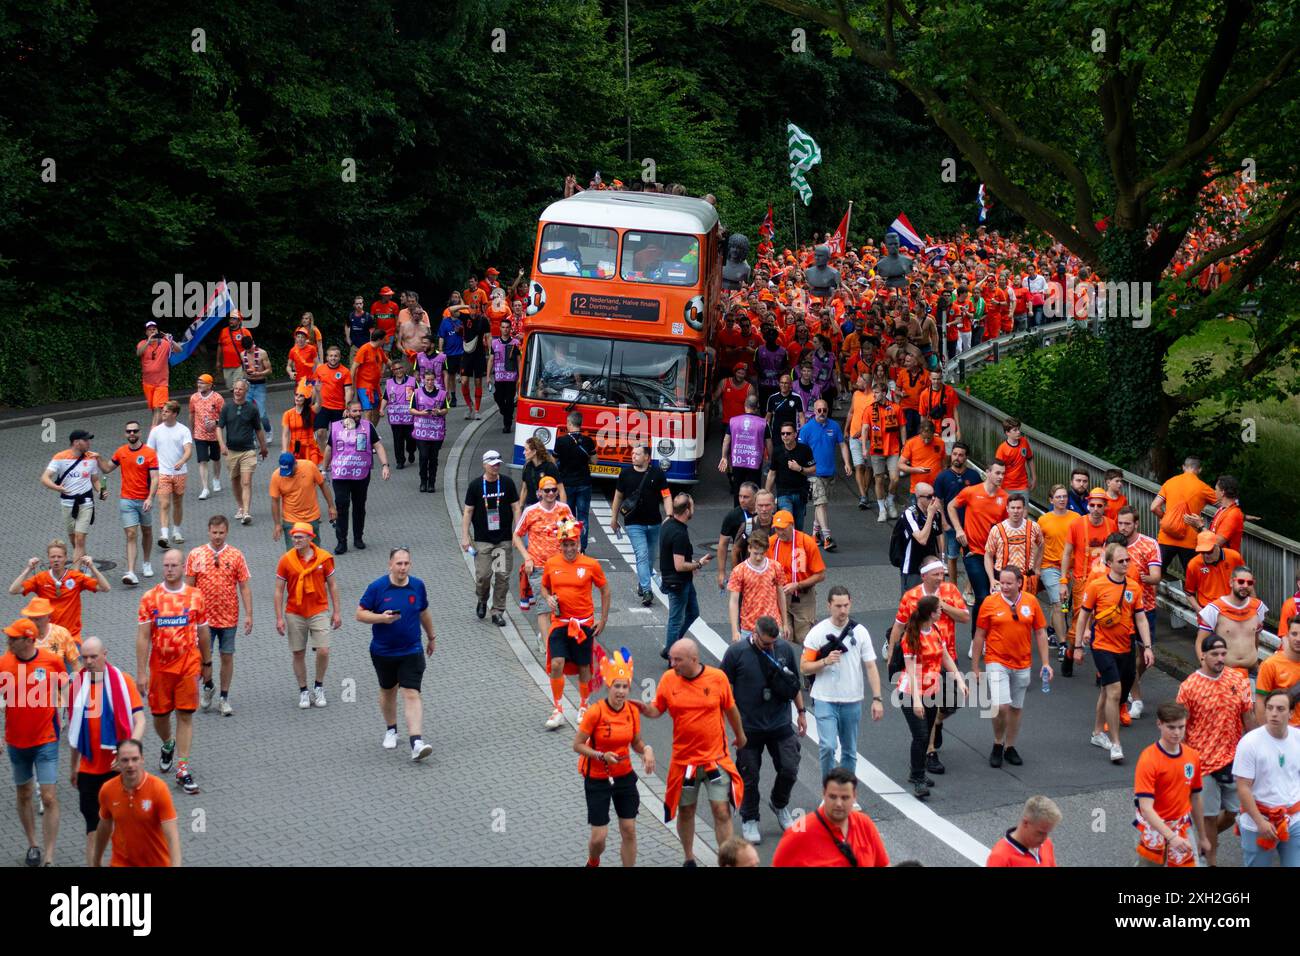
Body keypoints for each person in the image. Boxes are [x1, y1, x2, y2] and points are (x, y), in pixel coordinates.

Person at [637, 637, 745, 867]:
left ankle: (725, 861)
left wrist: (741, 735)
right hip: (684, 763)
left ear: (694, 659)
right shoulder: (668, 679)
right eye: (671, 659)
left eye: (678, 659)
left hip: (715, 760)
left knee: (721, 811)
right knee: (686, 810)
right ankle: (689, 858)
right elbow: (658, 709)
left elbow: (731, 708)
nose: (672, 664)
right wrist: (646, 709)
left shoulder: (717, 678)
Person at [721, 615, 806, 844]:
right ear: (754, 634)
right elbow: (725, 693)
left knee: (790, 767)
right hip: (748, 727)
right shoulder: (735, 653)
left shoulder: (784, 649)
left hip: (779, 723)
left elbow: (793, 683)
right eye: (766, 643)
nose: (771, 647)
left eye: (773, 643)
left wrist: (801, 712)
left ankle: (779, 804)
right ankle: (750, 818)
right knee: (750, 775)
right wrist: (729, 727)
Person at [1176, 633, 1256, 866]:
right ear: (1203, 655)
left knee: (1233, 813)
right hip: (1202, 765)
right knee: (1209, 818)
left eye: (1223, 653)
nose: (1220, 658)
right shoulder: (1189, 687)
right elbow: (1180, 725)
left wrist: (1256, 750)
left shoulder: (1237, 680)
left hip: (1233, 761)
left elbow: (1248, 718)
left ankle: (1200, 839)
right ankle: (1210, 860)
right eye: (1215, 654)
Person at [135, 549, 210, 795]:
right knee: (160, 716)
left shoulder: (195, 596)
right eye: (166, 565)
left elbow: (203, 633)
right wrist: (141, 673)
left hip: (188, 664)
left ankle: (182, 768)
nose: (169, 569)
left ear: (182, 568)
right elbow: (143, 637)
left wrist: (207, 664)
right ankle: (167, 743)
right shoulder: (150, 597)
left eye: (174, 565)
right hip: (160, 667)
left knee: (186, 715)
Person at [67, 636, 145, 866]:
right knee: (93, 827)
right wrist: (74, 767)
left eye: (94, 656)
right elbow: (74, 732)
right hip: (88, 771)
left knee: (123, 826)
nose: (89, 661)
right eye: (85, 657)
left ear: (105, 654)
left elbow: (139, 721)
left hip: (118, 770)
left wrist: (128, 752)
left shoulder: (123, 681)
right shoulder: (77, 686)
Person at [573, 649, 653, 867]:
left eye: (625, 686)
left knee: (629, 829)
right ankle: (593, 860)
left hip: (624, 776)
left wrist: (646, 749)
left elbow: (636, 742)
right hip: (597, 778)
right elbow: (577, 745)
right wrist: (601, 755)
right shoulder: (596, 712)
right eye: (617, 686)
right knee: (599, 838)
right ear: (609, 686)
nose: (621, 691)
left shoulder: (632, 712)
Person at [357, 547, 437, 761]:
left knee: (411, 692)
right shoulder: (377, 587)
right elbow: (360, 614)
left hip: (412, 649)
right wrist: (381, 618)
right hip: (383, 652)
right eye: (399, 563)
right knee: (388, 690)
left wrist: (431, 636)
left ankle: (417, 743)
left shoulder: (418, 586)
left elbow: (424, 612)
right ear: (390, 565)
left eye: (406, 563)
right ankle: (391, 729)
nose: (403, 567)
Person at [1075, 543, 1153, 763]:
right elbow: (1083, 616)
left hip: (1125, 646)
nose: (1126, 563)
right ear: (1108, 563)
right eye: (1121, 561)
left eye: (1127, 560)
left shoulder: (1134, 588)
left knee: (1107, 693)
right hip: (1102, 646)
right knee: (1115, 691)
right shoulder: (1096, 586)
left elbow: (1140, 618)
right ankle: (1115, 743)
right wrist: (1079, 645)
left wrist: (1147, 647)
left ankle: (1097, 733)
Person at [1, 616, 68, 866]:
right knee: (24, 793)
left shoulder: (51, 660)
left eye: (13, 638)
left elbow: (65, 686)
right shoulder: (3, 664)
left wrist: (64, 711)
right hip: (16, 742)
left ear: (28, 640)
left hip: (46, 739)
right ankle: (32, 845)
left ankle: (49, 856)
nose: (8, 641)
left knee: (48, 797)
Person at [971, 566, 1051, 768]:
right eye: (1001, 583)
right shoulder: (990, 603)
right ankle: (997, 743)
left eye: (1008, 583)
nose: (1004, 587)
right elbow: (979, 634)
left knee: (1016, 707)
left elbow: (1041, 633)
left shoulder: (1031, 602)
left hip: (1023, 662)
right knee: (1001, 706)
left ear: (1019, 583)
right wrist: (975, 667)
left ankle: (1010, 746)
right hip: (996, 660)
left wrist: (1046, 663)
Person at [802, 586, 884, 783]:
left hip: (851, 699)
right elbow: (804, 667)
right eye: (838, 606)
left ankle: (847, 793)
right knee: (828, 746)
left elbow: (871, 666)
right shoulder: (818, 632)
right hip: (824, 698)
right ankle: (829, 792)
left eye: (846, 605)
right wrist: (825, 662)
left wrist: (877, 698)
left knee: (849, 750)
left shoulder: (860, 632)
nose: (842, 610)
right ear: (829, 605)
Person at [896, 595, 968, 799]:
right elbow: (910, 671)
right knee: (920, 736)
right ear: (930, 613)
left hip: (931, 691)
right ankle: (918, 777)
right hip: (911, 693)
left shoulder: (935, 630)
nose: (941, 612)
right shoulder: (912, 636)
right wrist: (917, 701)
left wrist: (960, 680)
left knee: (927, 735)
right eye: (939, 609)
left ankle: (915, 771)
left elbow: (945, 657)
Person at [541, 519, 610, 729]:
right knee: (556, 663)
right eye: (565, 544)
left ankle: (583, 705)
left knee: (583, 666)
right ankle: (558, 709)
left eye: (572, 544)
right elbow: (544, 587)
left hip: (583, 624)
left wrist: (603, 619)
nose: (569, 548)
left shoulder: (591, 564)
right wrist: (548, 598)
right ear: (560, 545)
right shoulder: (552, 564)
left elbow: (605, 590)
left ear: (578, 544)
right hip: (560, 623)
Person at [184, 516, 252, 717]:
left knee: (227, 656)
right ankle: (208, 685)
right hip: (203, 619)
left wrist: (249, 614)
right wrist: (187, 613)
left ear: (227, 532)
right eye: (214, 533)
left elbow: (245, 587)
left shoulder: (236, 555)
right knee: (202, 658)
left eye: (221, 533)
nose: (217, 537)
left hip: (229, 616)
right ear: (208, 531)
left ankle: (223, 697)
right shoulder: (196, 555)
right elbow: (188, 586)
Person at [1134, 701, 1210, 867]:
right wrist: (1171, 837)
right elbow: (1146, 808)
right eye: (1171, 727)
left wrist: (1203, 837)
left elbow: (1196, 798)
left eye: (1181, 727)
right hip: (1153, 830)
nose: (1177, 733)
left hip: (1181, 827)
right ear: (1159, 724)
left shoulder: (1192, 756)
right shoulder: (1148, 759)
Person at [274, 523, 341, 710]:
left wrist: (336, 612)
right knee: (298, 652)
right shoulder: (286, 560)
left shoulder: (324, 558)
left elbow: (333, 585)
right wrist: (279, 617)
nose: (296, 540)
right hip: (294, 612)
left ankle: (318, 686)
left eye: (300, 537)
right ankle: (303, 690)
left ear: (310, 538)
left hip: (319, 610)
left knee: (324, 650)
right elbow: (279, 590)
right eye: (294, 537)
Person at [1233, 688, 1300, 867]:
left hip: (1293, 820)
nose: (1273, 714)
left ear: (1292, 712)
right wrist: (1260, 821)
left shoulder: (1298, 738)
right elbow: (1243, 787)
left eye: (1280, 709)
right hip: (1258, 822)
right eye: (1270, 708)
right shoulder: (1250, 743)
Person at [771, 768, 890, 867]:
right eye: (833, 797)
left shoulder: (865, 824)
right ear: (824, 794)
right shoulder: (799, 833)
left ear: (854, 797)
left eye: (845, 798)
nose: (838, 803)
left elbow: (883, 864)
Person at [91, 738, 180, 867]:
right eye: (125, 760)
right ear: (117, 761)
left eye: (135, 759)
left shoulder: (158, 789)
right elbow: (104, 827)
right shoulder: (108, 790)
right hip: (121, 863)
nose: (130, 765)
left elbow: (172, 835)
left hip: (156, 863)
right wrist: (96, 860)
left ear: (142, 759)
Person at [321, 399, 391, 554]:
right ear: (347, 411)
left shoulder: (367, 426)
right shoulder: (336, 427)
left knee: (359, 507)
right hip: (340, 475)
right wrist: (323, 470)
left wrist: (385, 465)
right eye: (355, 411)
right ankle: (342, 541)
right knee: (342, 505)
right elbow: (328, 449)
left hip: (361, 475)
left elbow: (378, 445)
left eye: (360, 411)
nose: (358, 414)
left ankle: (358, 538)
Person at [947, 459, 1008, 634]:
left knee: (995, 596)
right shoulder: (971, 492)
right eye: (997, 473)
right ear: (987, 472)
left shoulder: (1004, 497)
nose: (1000, 477)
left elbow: (1005, 526)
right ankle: (976, 639)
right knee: (982, 595)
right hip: (972, 551)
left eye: (1003, 474)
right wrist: (958, 530)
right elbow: (951, 506)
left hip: (994, 555)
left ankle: (992, 636)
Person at [461, 450, 521, 627]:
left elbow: (516, 508)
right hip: (483, 540)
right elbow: (468, 511)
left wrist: (517, 532)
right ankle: (482, 599)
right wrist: (465, 536)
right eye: (492, 463)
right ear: (484, 464)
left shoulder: (507, 483)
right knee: (484, 576)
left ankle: (497, 611)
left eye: (498, 463)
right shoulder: (475, 486)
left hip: (503, 539)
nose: (496, 466)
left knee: (502, 576)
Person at [1060, 487, 1118, 671]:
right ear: (1088, 504)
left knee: (1104, 623)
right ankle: (1070, 652)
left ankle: (1102, 670)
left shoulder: (1112, 525)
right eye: (1091, 505)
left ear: (1105, 507)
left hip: (1106, 582)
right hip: (1082, 581)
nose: (1094, 509)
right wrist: (1063, 582)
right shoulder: (1077, 524)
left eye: (1099, 505)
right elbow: (1067, 553)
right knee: (1079, 621)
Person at [10, 540, 110, 642]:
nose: (56, 560)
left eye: (59, 557)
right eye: (53, 557)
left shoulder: (76, 577)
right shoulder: (40, 578)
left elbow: (105, 587)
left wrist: (92, 567)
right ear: (49, 558)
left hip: (71, 637)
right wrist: (28, 569)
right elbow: (13, 590)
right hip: (48, 637)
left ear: (65, 558)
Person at [610, 445, 670, 607]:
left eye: (637, 454)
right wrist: (613, 518)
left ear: (647, 458)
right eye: (633, 453)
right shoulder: (626, 474)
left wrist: (670, 515)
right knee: (642, 554)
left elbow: (666, 496)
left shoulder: (657, 474)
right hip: (633, 523)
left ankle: (642, 582)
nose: (633, 456)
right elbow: (618, 496)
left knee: (650, 557)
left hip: (654, 522)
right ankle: (646, 589)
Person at [1116, 505, 1162, 717]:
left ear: (1136, 524)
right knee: (1128, 657)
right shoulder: (1114, 544)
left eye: (1127, 524)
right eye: (1120, 523)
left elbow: (1156, 576)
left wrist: (1138, 577)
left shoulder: (1149, 544)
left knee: (1145, 657)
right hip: (1120, 609)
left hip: (1146, 606)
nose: (1123, 528)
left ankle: (1129, 681)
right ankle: (1136, 699)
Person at [513, 476, 573, 636]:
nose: (551, 493)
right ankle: (549, 651)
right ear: (539, 492)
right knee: (544, 609)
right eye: (547, 490)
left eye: (554, 490)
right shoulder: (530, 511)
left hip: (561, 567)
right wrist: (527, 557)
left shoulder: (564, 509)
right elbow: (516, 536)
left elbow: (572, 536)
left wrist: (574, 556)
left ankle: (549, 638)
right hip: (539, 567)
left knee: (560, 609)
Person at [102, 420, 159, 585]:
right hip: (126, 500)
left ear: (140, 433)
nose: (132, 434)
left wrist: (150, 498)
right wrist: (97, 458)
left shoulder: (149, 453)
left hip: (144, 500)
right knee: (131, 534)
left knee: (147, 532)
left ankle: (147, 562)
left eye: (134, 431)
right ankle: (131, 572)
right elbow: (106, 469)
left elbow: (155, 478)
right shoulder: (121, 452)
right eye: (129, 431)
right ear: (125, 434)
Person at [1151, 456, 1217, 595]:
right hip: (1190, 542)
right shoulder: (1203, 487)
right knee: (1193, 577)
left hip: (1166, 537)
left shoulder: (1170, 482)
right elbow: (1223, 503)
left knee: (1156, 574)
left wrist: (1167, 519)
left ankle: (1148, 605)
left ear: (1183, 467)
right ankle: (1195, 610)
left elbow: (1154, 507)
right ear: (1199, 469)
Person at [41, 428, 106, 563]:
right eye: (86, 440)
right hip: (67, 503)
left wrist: (100, 491)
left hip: (85, 502)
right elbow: (45, 478)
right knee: (74, 539)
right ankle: (84, 562)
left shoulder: (91, 458)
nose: (89, 442)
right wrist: (57, 488)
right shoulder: (60, 458)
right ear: (76, 442)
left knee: (80, 537)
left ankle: (80, 571)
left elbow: (95, 480)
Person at [659, 493, 710, 659]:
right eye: (692, 506)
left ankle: (671, 648)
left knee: (693, 612)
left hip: (682, 580)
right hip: (678, 583)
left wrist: (691, 563)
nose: (693, 509)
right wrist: (698, 564)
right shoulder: (679, 533)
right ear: (687, 510)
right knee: (675, 621)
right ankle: (672, 655)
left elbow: (674, 556)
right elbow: (679, 566)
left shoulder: (667, 523)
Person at [1193, 560, 1264, 676]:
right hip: (1224, 674)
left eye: (1249, 583)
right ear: (1231, 582)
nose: (1245, 586)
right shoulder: (1214, 609)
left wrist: (1256, 664)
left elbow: (1255, 638)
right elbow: (1200, 642)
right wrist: (1205, 666)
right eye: (1241, 582)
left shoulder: (1258, 607)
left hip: (1252, 673)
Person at [798, 399, 851, 550]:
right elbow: (801, 451)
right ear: (814, 411)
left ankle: (815, 534)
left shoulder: (834, 426)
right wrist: (802, 470)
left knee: (821, 504)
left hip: (830, 472)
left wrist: (847, 463)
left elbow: (842, 444)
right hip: (813, 473)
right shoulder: (807, 429)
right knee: (821, 503)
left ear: (828, 410)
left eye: (824, 410)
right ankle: (827, 537)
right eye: (819, 410)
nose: (822, 413)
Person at [767, 508, 825, 644]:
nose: (779, 532)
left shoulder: (806, 542)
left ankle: (806, 663)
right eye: (777, 529)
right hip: (780, 596)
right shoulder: (771, 543)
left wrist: (798, 584)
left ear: (792, 526)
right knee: (783, 637)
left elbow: (821, 575)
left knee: (805, 638)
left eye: (783, 528)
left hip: (803, 597)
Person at [217, 379, 270, 526]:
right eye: (236, 389)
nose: (238, 391)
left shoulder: (252, 409)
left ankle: (246, 512)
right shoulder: (227, 408)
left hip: (248, 451)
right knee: (235, 480)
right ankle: (240, 506)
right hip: (231, 451)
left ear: (246, 391)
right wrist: (221, 445)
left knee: (246, 482)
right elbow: (219, 427)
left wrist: (263, 447)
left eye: (241, 389)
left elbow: (258, 429)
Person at [1037, 484, 1082, 654]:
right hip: (1050, 567)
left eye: (1064, 496)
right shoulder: (1044, 520)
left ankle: (1052, 629)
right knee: (1059, 602)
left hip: (1071, 569)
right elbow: (1038, 546)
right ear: (1051, 500)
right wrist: (1036, 568)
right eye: (1058, 497)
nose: (1062, 499)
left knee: (1065, 606)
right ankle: (1063, 644)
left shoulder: (1076, 518)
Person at [933, 440, 979, 594]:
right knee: (952, 557)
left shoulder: (974, 476)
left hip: (971, 525)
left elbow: (979, 500)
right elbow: (938, 502)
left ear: (966, 457)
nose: (957, 457)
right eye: (955, 454)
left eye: (961, 455)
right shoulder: (942, 477)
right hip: (952, 526)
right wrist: (944, 523)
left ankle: (969, 589)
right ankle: (953, 590)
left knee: (972, 558)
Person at [146, 400, 194, 548]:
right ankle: (164, 535)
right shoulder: (156, 431)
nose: (163, 414)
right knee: (164, 504)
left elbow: (188, 450)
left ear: (174, 413)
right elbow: (149, 452)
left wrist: (182, 460)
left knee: (178, 503)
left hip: (180, 473)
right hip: (163, 473)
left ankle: (177, 531)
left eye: (166, 411)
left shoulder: (183, 430)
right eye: (162, 411)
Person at [727, 529, 788, 644]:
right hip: (749, 627)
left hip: (773, 625)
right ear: (749, 548)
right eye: (756, 553)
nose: (759, 557)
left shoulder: (775, 567)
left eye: (762, 553)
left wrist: (785, 623)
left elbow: (781, 594)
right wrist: (735, 630)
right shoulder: (739, 570)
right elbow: (733, 601)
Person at [983, 493, 1045, 600]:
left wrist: (1037, 568)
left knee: (1026, 612)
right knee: (1003, 612)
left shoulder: (1033, 527)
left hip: (1026, 578)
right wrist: (992, 579)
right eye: (1013, 508)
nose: (1016, 511)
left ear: (1024, 509)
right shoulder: (997, 529)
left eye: (1019, 508)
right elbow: (988, 555)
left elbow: (1041, 545)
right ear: (1007, 509)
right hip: (1003, 579)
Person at [269, 452, 336, 548]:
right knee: (293, 553)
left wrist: (331, 506)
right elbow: (275, 501)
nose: (287, 475)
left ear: (295, 464)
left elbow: (323, 485)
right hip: (290, 520)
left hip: (311, 517)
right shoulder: (276, 476)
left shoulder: (309, 467)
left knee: (314, 550)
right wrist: (277, 524)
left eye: (289, 471)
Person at [553, 413, 596, 551]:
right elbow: (594, 460)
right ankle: (581, 548)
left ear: (569, 423)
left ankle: (567, 546)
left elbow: (553, 461)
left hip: (566, 484)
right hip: (584, 482)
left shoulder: (561, 441)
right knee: (583, 517)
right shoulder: (588, 441)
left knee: (566, 516)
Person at [862, 382, 903, 523]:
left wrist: (905, 445)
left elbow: (902, 427)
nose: (874, 395)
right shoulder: (869, 409)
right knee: (878, 479)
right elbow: (865, 429)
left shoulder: (896, 408)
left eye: (877, 392)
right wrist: (863, 448)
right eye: (874, 393)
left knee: (895, 478)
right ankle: (882, 509)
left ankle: (890, 500)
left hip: (893, 448)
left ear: (884, 393)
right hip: (876, 448)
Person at [719, 393, 769, 506]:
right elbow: (769, 444)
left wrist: (724, 457)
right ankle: (754, 514)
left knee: (738, 489)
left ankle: (738, 512)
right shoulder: (763, 423)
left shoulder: (733, 421)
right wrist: (770, 460)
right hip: (755, 462)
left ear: (745, 405)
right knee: (754, 489)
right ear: (757, 407)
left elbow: (726, 440)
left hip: (738, 461)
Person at [767, 419, 815, 533]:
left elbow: (813, 469)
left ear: (795, 434)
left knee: (798, 528)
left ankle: (795, 549)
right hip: (783, 493)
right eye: (782, 433)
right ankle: (785, 548)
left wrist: (799, 468)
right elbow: (771, 473)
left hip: (800, 492)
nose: (785, 436)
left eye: (788, 433)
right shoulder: (777, 451)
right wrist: (767, 494)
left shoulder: (804, 450)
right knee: (787, 523)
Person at [893, 481, 942, 592]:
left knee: (931, 601)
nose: (933, 499)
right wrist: (930, 515)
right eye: (929, 497)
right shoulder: (910, 514)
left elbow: (939, 537)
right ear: (919, 498)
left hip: (930, 565)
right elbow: (922, 539)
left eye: (934, 495)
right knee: (912, 604)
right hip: (912, 566)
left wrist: (940, 561)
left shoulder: (936, 513)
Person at [986, 795, 1061, 867]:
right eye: (1040, 833)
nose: (1045, 838)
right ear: (1025, 823)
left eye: (1047, 832)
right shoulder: (1000, 857)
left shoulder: (1046, 843)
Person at [1256, 618, 1300, 726]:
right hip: (1285, 730)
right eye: (1294, 634)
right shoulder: (1270, 664)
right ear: (1287, 635)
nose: (1298, 639)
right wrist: (1267, 737)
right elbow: (1260, 703)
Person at [188, 374, 225, 499]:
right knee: (202, 460)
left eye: (202, 383)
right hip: (199, 434)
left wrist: (216, 422)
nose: (199, 385)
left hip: (215, 435)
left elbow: (225, 416)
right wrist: (192, 431)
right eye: (198, 382)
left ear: (210, 385)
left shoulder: (218, 398)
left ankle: (216, 478)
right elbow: (191, 414)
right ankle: (205, 488)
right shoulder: (194, 398)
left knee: (216, 458)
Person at [312, 346, 355, 453]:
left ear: (339, 357)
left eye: (336, 356)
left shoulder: (345, 372)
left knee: (338, 436)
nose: (333, 358)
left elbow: (348, 391)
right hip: (323, 406)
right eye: (331, 356)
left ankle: (336, 455)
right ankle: (324, 457)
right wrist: (311, 403)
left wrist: (347, 407)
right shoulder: (319, 369)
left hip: (339, 407)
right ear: (327, 357)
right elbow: (314, 388)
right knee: (321, 433)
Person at [22, 597, 79, 674]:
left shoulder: (61, 634)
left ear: (49, 617)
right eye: (31, 619)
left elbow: (75, 664)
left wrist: (74, 682)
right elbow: (11, 662)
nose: (33, 623)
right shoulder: (21, 636)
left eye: (37, 619)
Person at [380, 357, 417, 470]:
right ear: (393, 370)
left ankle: (411, 452)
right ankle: (400, 460)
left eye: (400, 368)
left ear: (404, 369)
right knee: (398, 440)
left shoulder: (412, 381)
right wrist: (381, 409)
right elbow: (386, 397)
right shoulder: (389, 383)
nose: (398, 371)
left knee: (411, 439)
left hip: (409, 418)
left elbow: (419, 395)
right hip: (395, 418)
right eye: (395, 369)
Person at [350, 327, 388, 427]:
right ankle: (366, 436)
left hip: (376, 386)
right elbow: (353, 367)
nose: (386, 341)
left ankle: (371, 433)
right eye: (384, 339)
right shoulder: (364, 349)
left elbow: (387, 361)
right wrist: (351, 386)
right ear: (379, 339)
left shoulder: (379, 349)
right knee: (368, 411)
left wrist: (397, 369)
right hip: (364, 385)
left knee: (377, 411)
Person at [490, 316, 521, 431]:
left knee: (509, 400)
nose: (505, 329)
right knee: (498, 397)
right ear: (500, 328)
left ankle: (507, 425)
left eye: (507, 327)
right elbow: (491, 359)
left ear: (510, 328)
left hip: (511, 377)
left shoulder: (515, 343)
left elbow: (519, 360)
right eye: (503, 327)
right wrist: (488, 376)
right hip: (498, 376)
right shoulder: (494, 343)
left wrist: (520, 376)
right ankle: (506, 413)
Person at [238, 337, 273, 434]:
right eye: (247, 350)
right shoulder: (242, 354)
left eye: (250, 348)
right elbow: (244, 370)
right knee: (248, 412)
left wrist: (259, 374)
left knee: (261, 414)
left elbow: (269, 370)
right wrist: (244, 378)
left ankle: (268, 429)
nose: (249, 351)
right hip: (248, 385)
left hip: (260, 385)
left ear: (253, 343)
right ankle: (252, 437)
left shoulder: (262, 353)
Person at [282, 383, 322, 466]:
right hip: (295, 448)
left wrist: (318, 392)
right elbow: (285, 435)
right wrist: (285, 451)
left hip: (310, 447)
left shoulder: (311, 411)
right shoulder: (287, 414)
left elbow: (319, 406)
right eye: (296, 395)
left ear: (306, 399)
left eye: (301, 396)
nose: (297, 398)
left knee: (312, 469)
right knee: (298, 472)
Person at [993, 418, 1036, 493]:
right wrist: (997, 487)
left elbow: (1030, 458)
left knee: (1023, 505)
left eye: (1019, 429)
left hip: (1023, 485)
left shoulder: (1024, 441)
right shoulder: (1002, 449)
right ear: (1007, 432)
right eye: (1015, 430)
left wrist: (1034, 477)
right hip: (1006, 486)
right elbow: (997, 469)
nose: (1018, 432)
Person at [215, 311, 253, 390]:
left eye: (234, 319)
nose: (231, 321)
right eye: (230, 319)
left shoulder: (245, 332)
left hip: (240, 364)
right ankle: (243, 394)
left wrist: (251, 362)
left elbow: (251, 347)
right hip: (226, 365)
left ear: (239, 321)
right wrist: (218, 361)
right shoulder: (223, 331)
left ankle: (239, 400)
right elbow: (220, 346)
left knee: (237, 386)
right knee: (230, 387)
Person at [520, 437, 562, 507]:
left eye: (526, 450)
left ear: (534, 452)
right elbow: (524, 489)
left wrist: (562, 512)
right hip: (531, 507)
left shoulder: (549, 467)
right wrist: (520, 509)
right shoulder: (527, 467)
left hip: (548, 507)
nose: (523, 452)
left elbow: (561, 490)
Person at [344, 294, 375, 363]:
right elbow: (347, 326)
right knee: (353, 367)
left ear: (363, 304)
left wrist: (370, 343)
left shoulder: (368, 316)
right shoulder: (350, 316)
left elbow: (372, 330)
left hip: (365, 346)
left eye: (360, 303)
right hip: (354, 345)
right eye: (357, 304)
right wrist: (348, 338)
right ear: (354, 305)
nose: (359, 305)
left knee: (365, 366)